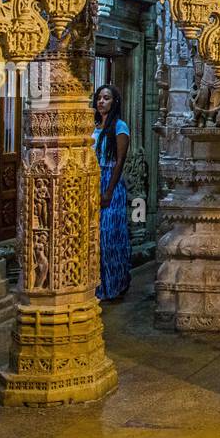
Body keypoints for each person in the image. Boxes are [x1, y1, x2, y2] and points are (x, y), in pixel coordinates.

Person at [92, 84, 131, 300]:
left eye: (106, 98)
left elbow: (119, 161)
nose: (101, 101)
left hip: (111, 183)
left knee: (109, 236)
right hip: (93, 180)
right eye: (99, 98)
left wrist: (108, 191)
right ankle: (97, 287)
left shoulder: (120, 126)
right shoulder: (93, 125)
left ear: (114, 102)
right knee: (94, 237)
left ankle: (115, 285)